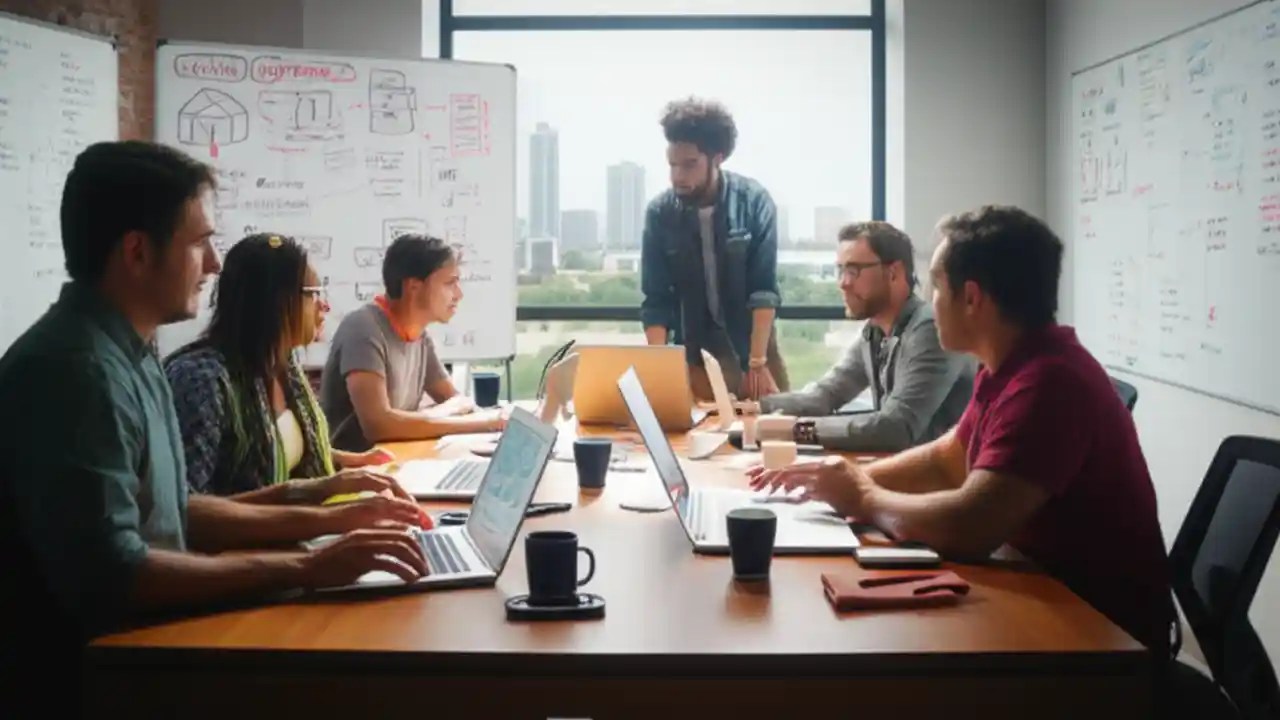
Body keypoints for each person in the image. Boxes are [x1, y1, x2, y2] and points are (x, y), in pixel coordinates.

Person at [0, 142, 429, 693]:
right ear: (137, 252)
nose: (214, 264)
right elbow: (118, 574)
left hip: (155, 645)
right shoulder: (77, 373)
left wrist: (332, 513)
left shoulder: (131, 351)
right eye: (199, 242)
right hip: (99, 680)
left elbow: (179, 511)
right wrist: (306, 568)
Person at [750, 205, 1174, 658]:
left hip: (1104, 644)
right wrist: (839, 481)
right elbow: (946, 457)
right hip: (1047, 595)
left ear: (971, 298)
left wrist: (863, 497)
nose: (930, 300)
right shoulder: (1010, 367)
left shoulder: (1050, 383)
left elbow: (971, 526)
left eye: (935, 285)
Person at [166, 233, 399, 498]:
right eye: (313, 294)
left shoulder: (282, 363)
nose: (324, 305)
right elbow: (186, 508)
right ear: (276, 300)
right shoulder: (202, 380)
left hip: (292, 532)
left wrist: (350, 462)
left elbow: (281, 447)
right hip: (245, 539)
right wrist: (313, 493)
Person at [759, 222, 974, 452]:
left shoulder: (929, 329)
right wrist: (752, 408)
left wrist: (797, 431)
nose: (843, 283)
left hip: (940, 479)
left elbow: (896, 427)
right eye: (840, 270)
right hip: (906, 470)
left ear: (894, 272)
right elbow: (825, 395)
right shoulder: (874, 332)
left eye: (853, 271)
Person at [640, 96, 787, 402]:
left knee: (773, 429)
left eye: (690, 164)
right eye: (672, 164)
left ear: (717, 158)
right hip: (697, 350)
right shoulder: (660, 213)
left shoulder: (754, 201)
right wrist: (659, 369)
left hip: (755, 345)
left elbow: (763, 290)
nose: (678, 176)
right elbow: (657, 299)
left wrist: (757, 363)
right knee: (700, 435)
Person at [319, 233, 504, 451]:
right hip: (357, 473)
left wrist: (439, 414)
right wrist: (484, 424)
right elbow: (379, 426)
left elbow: (457, 401)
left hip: (398, 462)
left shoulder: (419, 335)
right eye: (450, 283)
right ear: (414, 286)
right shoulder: (363, 328)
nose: (459, 294)